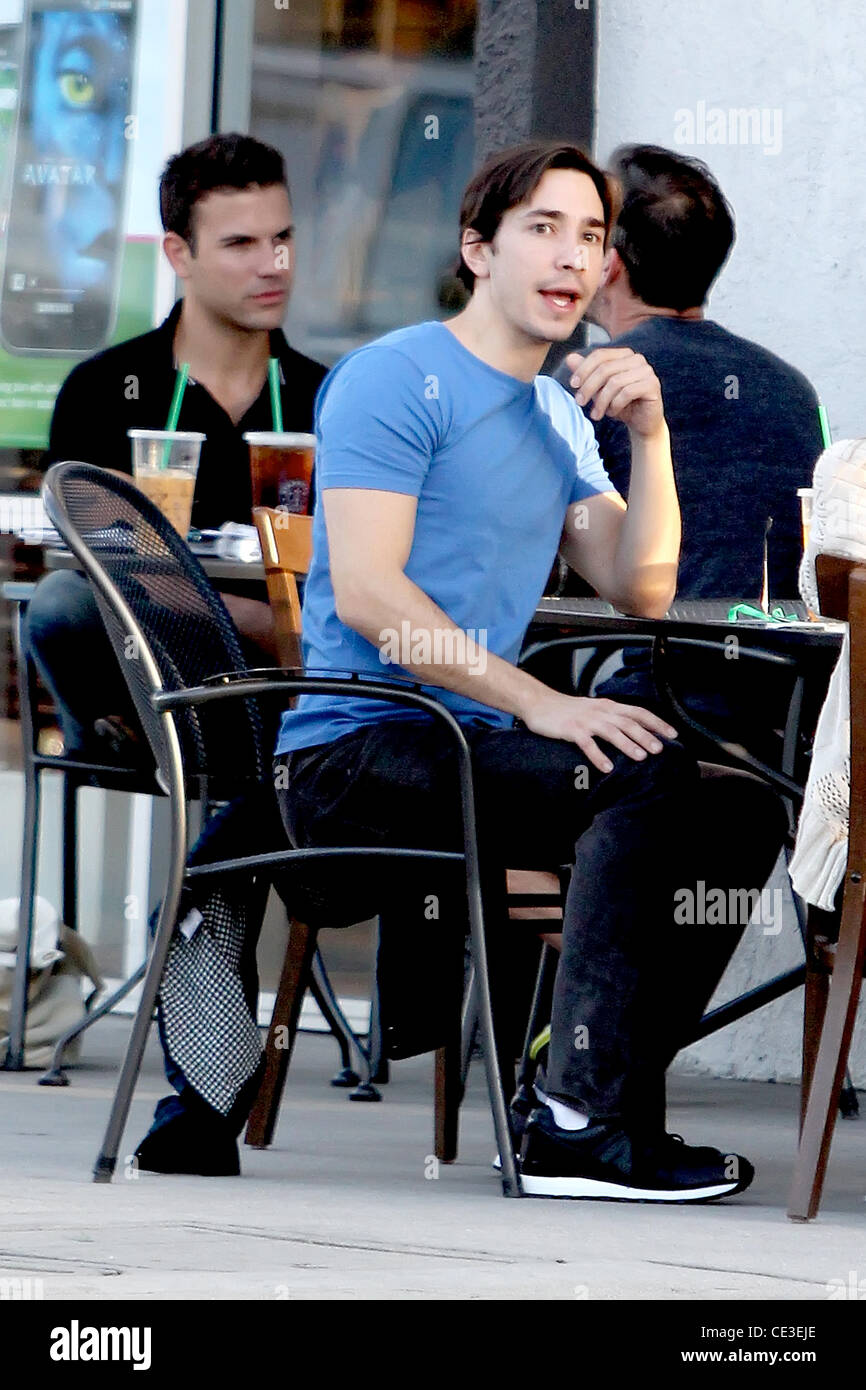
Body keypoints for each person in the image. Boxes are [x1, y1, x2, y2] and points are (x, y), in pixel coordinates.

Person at [273, 141, 787, 1202]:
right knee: (634, 767)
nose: (570, 257)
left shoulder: (554, 411)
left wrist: (648, 436)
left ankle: (587, 1092)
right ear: (478, 248)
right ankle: (573, 1124)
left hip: (463, 738)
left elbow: (638, 585)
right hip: (354, 746)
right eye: (541, 229)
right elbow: (371, 597)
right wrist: (543, 705)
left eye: (590, 236)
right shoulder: (393, 376)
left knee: (733, 805)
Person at [24, 132, 327, 762]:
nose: (272, 265)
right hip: (154, 669)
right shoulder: (106, 390)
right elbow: (109, 566)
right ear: (179, 254)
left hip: (294, 691)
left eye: (282, 239)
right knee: (65, 606)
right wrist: (251, 619)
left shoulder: (330, 400)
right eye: (240, 244)